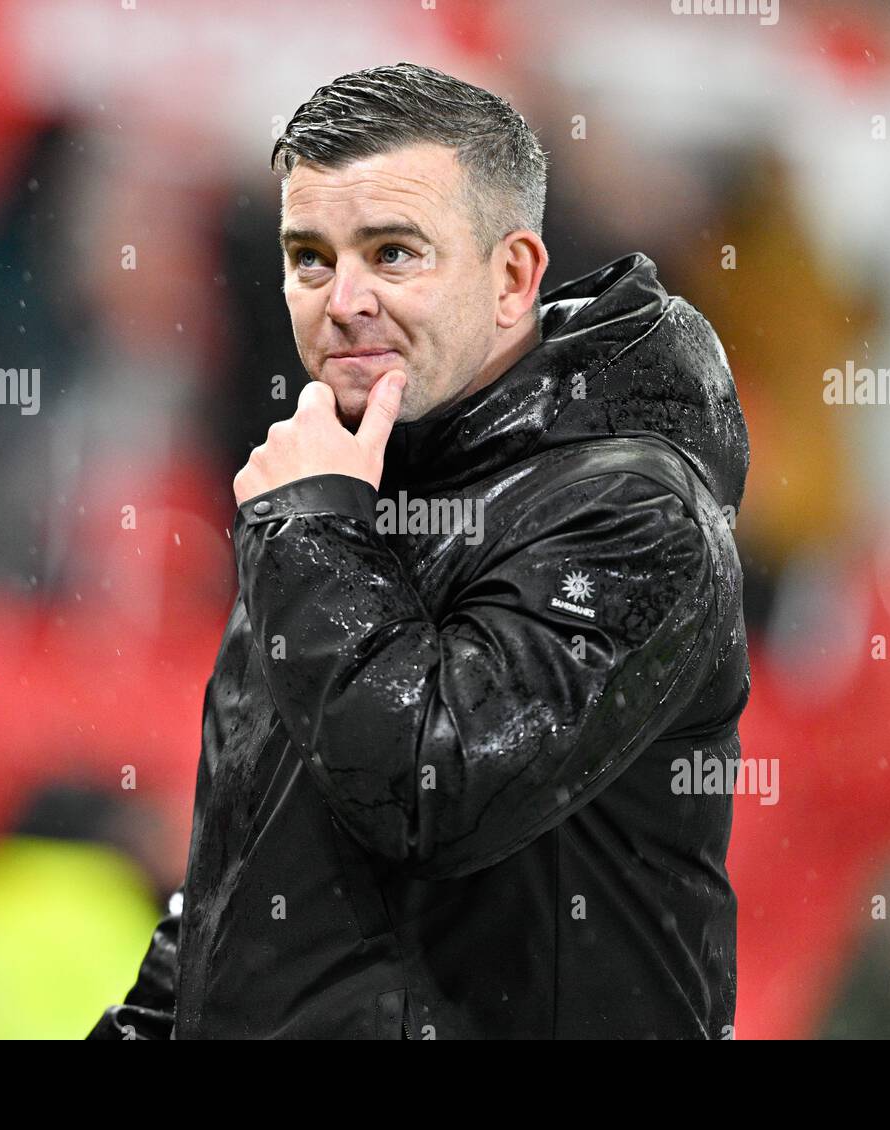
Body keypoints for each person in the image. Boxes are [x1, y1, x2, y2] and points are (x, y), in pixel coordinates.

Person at [90, 61, 751, 1040]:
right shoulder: (334, 489)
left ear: (513, 275)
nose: (341, 299)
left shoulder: (629, 512)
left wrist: (314, 529)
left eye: (392, 253)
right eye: (309, 257)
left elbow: (434, 790)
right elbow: (239, 881)